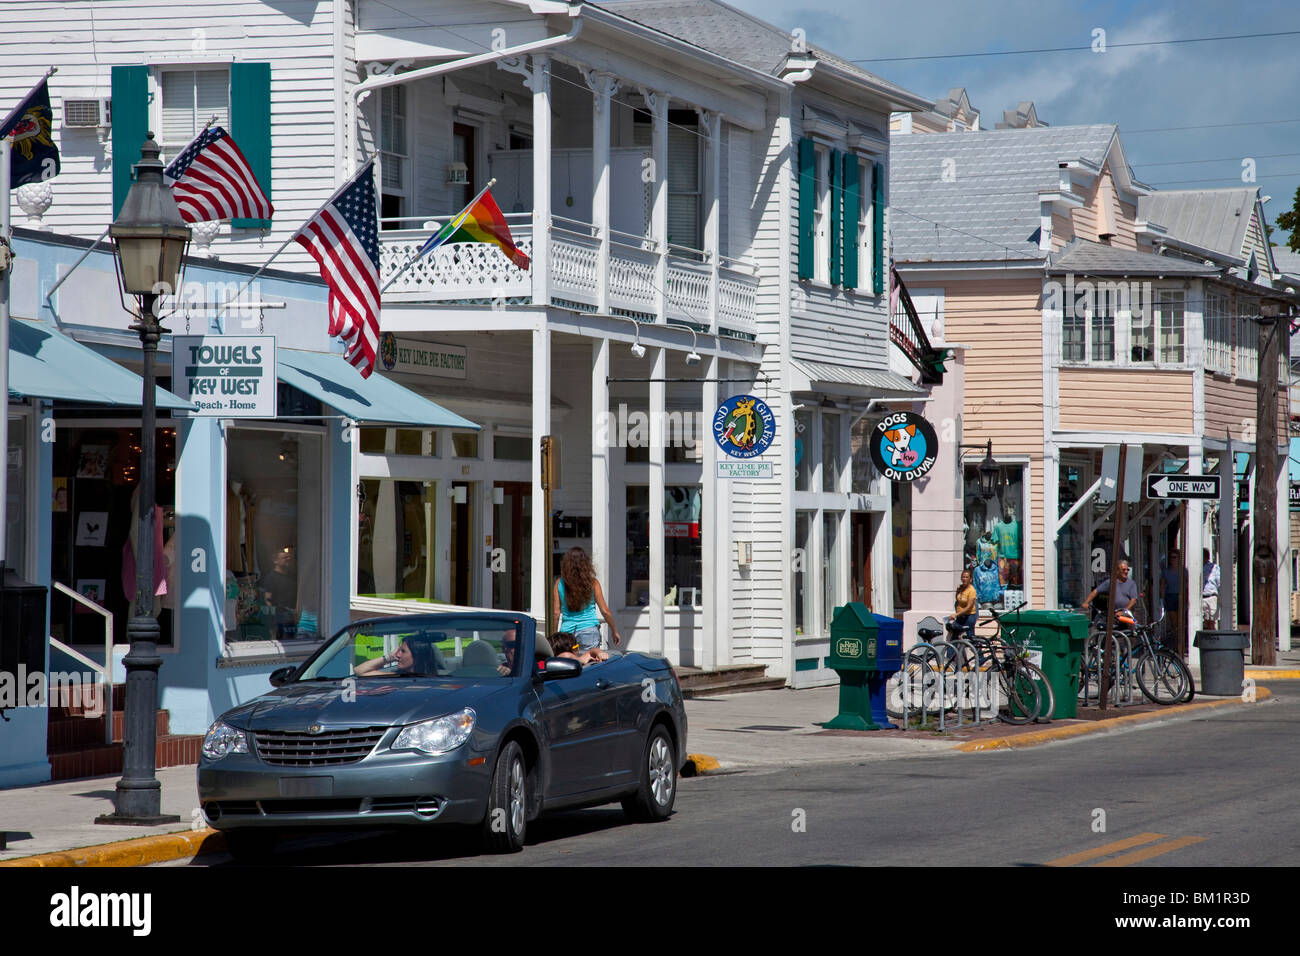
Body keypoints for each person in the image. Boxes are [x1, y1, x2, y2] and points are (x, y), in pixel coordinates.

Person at [553, 547, 622, 653]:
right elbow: (604, 610)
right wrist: (614, 630)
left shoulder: (559, 583)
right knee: (591, 665)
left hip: (567, 633)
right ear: (586, 564)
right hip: (589, 631)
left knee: (569, 666)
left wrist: (555, 635)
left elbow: (556, 613)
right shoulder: (593, 583)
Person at [1082, 559, 1139, 627]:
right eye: (1123, 570)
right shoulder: (1110, 582)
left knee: (1133, 630)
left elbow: (1133, 600)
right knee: (1109, 631)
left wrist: (1124, 611)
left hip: (1128, 615)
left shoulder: (1131, 583)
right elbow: (1095, 591)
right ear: (1117, 571)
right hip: (1114, 615)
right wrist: (1086, 602)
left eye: (1127, 570)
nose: (1126, 572)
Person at [354, 635, 441, 676]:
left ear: (417, 656)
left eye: (403, 651)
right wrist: (389, 657)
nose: (398, 655)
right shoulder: (397, 677)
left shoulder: (438, 681)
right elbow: (360, 671)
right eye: (398, 650)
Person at [949, 568, 977, 639]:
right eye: (963, 577)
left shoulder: (971, 590)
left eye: (966, 577)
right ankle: (954, 650)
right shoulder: (961, 588)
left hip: (969, 616)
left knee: (970, 637)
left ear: (970, 579)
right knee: (954, 636)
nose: (964, 579)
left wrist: (956, 614)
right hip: (960, 616)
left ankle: (976, 650)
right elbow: (958, 600)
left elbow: (969, 607)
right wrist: (957, 591)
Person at [1202, 548, 1220, 628]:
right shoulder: (1198, 566)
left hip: (1212, 597)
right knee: (1204, 622)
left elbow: (1219, 582)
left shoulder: (1214, 568)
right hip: (1202, 597)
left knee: (1212, 622)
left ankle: (1213, 639)